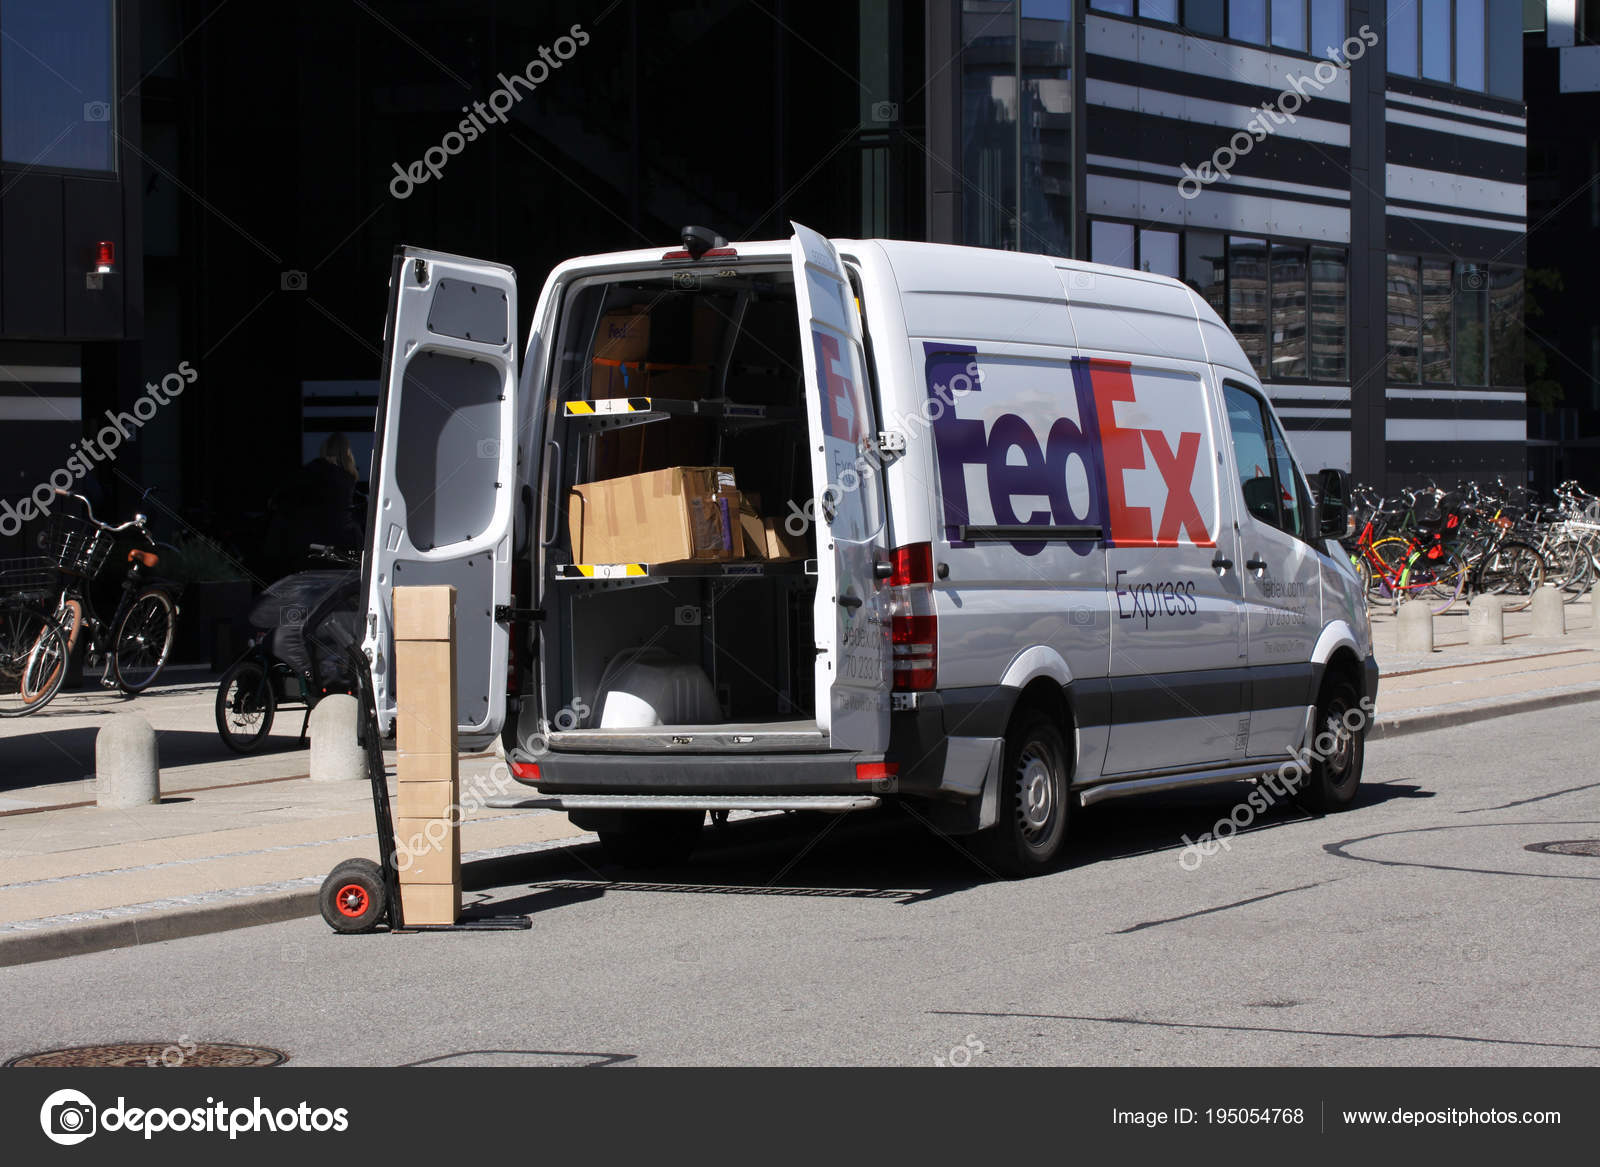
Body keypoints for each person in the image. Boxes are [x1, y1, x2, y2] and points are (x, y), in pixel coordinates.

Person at [261, 433, 364, 578]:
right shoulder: (346, 479)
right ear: (347, 453)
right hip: (338, 546)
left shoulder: (306, 473)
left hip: (305, 547)